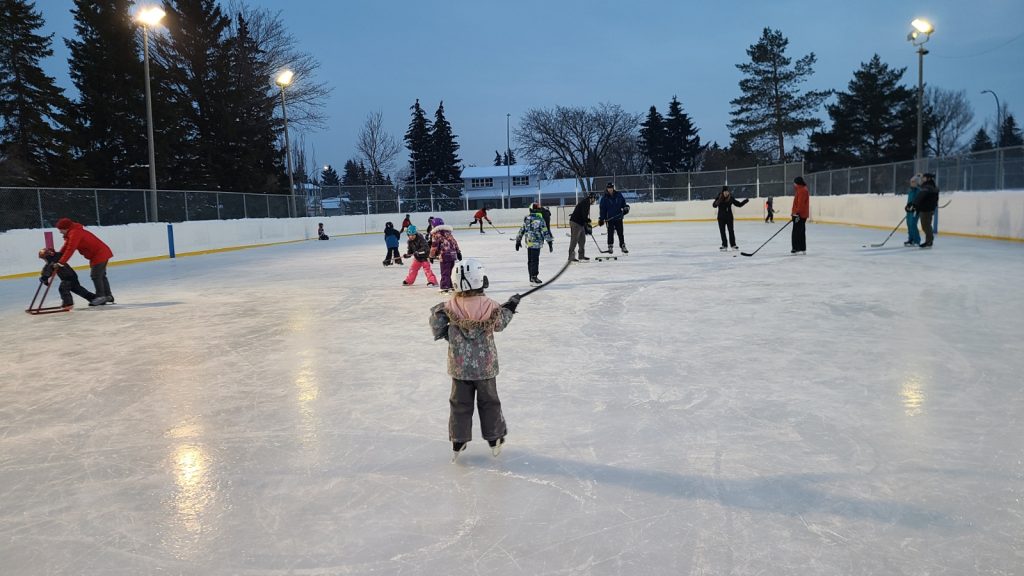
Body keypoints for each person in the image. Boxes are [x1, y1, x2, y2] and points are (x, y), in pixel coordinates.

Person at [429, 258, 520, 461]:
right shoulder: (490, 305)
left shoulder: (449, 305)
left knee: (459, 403)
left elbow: (437, 327)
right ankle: (495, 438)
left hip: (459, 367)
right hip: (485, 367)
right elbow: (499, 324)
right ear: (481, 280)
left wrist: (450, 335)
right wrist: (511, 307)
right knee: (489, 402)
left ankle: (458, 440)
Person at [54, 217, 113, 306]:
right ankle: (108, 296)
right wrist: (58, 256)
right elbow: (66, 246)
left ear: (66, 228)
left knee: (96, 276)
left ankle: (101, 297)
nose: (60, 232)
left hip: (99, 254)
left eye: (61, 230)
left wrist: (61, 262)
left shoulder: (75, 233)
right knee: (101, 276)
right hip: (98, 254)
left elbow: (70, 249)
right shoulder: (72, 232)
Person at [515, 205, 554, 285]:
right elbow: (545, 231)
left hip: (529, 242)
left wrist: (518, 240)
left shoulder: (527, 219)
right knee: (535, 260)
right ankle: (534, 277)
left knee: (530, 260)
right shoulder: (540, 219)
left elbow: (522, 230)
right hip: (536, 243)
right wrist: (549, 242)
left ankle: (531, 277)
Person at [428, 218, 462, 292]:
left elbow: (434, 247)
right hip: (453, 254)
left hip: (444, 255)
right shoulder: (448, 232)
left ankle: (445, 286)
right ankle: (452, 285)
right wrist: (458, 252)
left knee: (445, 271)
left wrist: (431, 256)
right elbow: (454, 242)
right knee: (451, 271)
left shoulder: (435, 234)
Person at [712, 186, 749, 251]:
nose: (726, 193)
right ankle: (724, 245)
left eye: (727, 192)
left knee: (731, 231)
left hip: (729, 218)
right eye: (725, 192)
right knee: (722, 232)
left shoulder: (731, 198)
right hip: (721, 218)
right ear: (722, 192)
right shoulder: (719, 197)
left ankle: (733, 245)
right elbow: (714, 205)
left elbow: (739, 205)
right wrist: (718, 201)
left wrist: (745, 201)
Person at [598, 182, 629, 254]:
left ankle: (622, 245)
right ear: (607, 188)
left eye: (611, 188)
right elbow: (602, 210)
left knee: (620, 233)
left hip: (618, 218)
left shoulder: (619, 195)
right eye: (609, 188)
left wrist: (625, 208)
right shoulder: (604, 198)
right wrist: (601, 219)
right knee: (610, 233)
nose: (610, 189)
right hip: (610, 219)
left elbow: (623, 204)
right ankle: (610, 246)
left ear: (613, 188)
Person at [568, 192, 596, 262]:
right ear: (592, 198)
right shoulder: (586, 203)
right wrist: (588, 222)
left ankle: (581, 256)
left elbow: (583, 216)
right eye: (594, 199)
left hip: (580, 223)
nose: (594, 201)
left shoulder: (587, 203)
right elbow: (584, 215)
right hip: (575, 223)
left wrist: (586, 224)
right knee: (574, 240)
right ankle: (571, 256)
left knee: (582, 240)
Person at [915, 173, 939, 249]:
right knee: (926, 225)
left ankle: (929, 241)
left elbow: (920, 197)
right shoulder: (931, 186)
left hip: (926, 209)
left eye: (924, 178)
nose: (922, 179)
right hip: (927, 209)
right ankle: (929, 240)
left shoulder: (928, 187)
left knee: (926, 225)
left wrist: (914, 204)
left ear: (928, 178)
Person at [791, 177, 810, 254]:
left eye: (794, 182)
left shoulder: (802, 190)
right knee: (801, 231)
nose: (794, 184)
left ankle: (796, 248)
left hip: (799, 215)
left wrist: (796, 214)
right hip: (801, 214)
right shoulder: (802, 189)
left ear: (798, 183)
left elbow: (800, 204)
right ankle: (802, 248)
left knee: (796, 232)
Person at [903, 175, 923, 247]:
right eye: (911, 181)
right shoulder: (910, 190)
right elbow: (909, 200)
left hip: (915, 210)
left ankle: (917, 240)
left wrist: (915, 207)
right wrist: (907, 207)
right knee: (908, 224)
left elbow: (919, 201)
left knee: (913, 224)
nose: (911, 183)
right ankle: (911, 239)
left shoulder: (918, 191)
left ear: (917, 182)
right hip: (909, 211)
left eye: (913, 181)